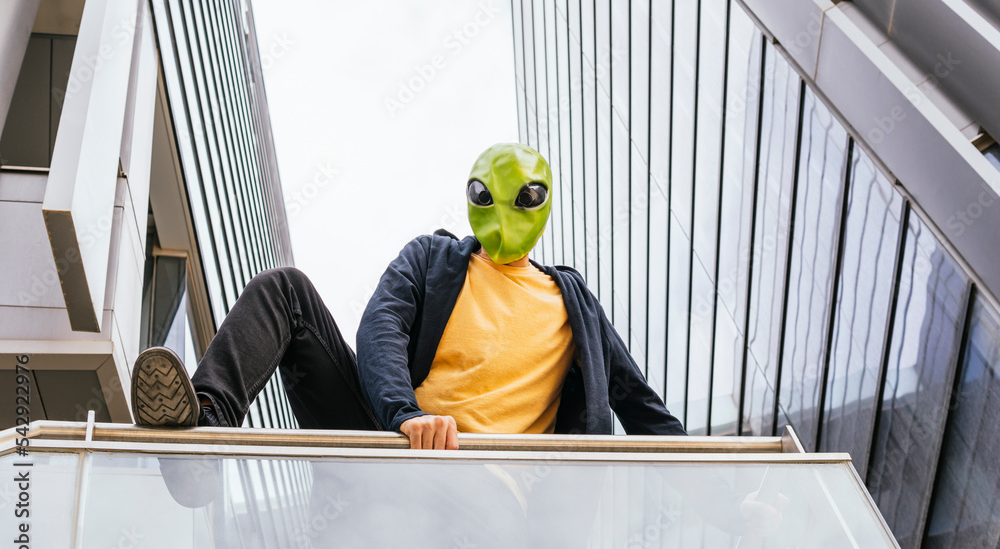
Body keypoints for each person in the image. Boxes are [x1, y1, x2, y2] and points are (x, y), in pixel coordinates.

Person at [130, 142, 688, 445]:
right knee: (286, 290)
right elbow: (381, 328)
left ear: (543, 205)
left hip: (500, 489)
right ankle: (202, 429)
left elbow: (641, 406)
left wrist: (735, 503)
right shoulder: (432, 259)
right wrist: (405, 416)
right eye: (484, 197)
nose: (501, 217)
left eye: (522, 200)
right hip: (394, 447)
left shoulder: (574, 305)